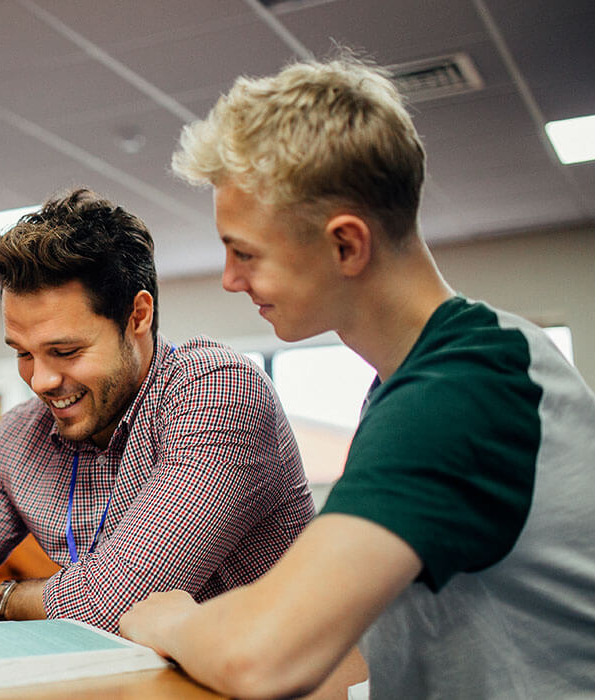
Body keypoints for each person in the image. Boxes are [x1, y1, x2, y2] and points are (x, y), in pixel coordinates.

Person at [118, 57, 595, 699]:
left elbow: (262, 657)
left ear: (346, 245)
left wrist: (171, 617)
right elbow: (354, 647)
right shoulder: (420, 378)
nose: (230, 279)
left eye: (245, 252)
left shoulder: (462, 388)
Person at [0, 188, 316, 633]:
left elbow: (118, 603)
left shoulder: (217, 388)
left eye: (65, 350)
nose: (40, 381)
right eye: (23, 353)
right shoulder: (23, 435)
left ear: (137, 316)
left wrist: (9, 596)